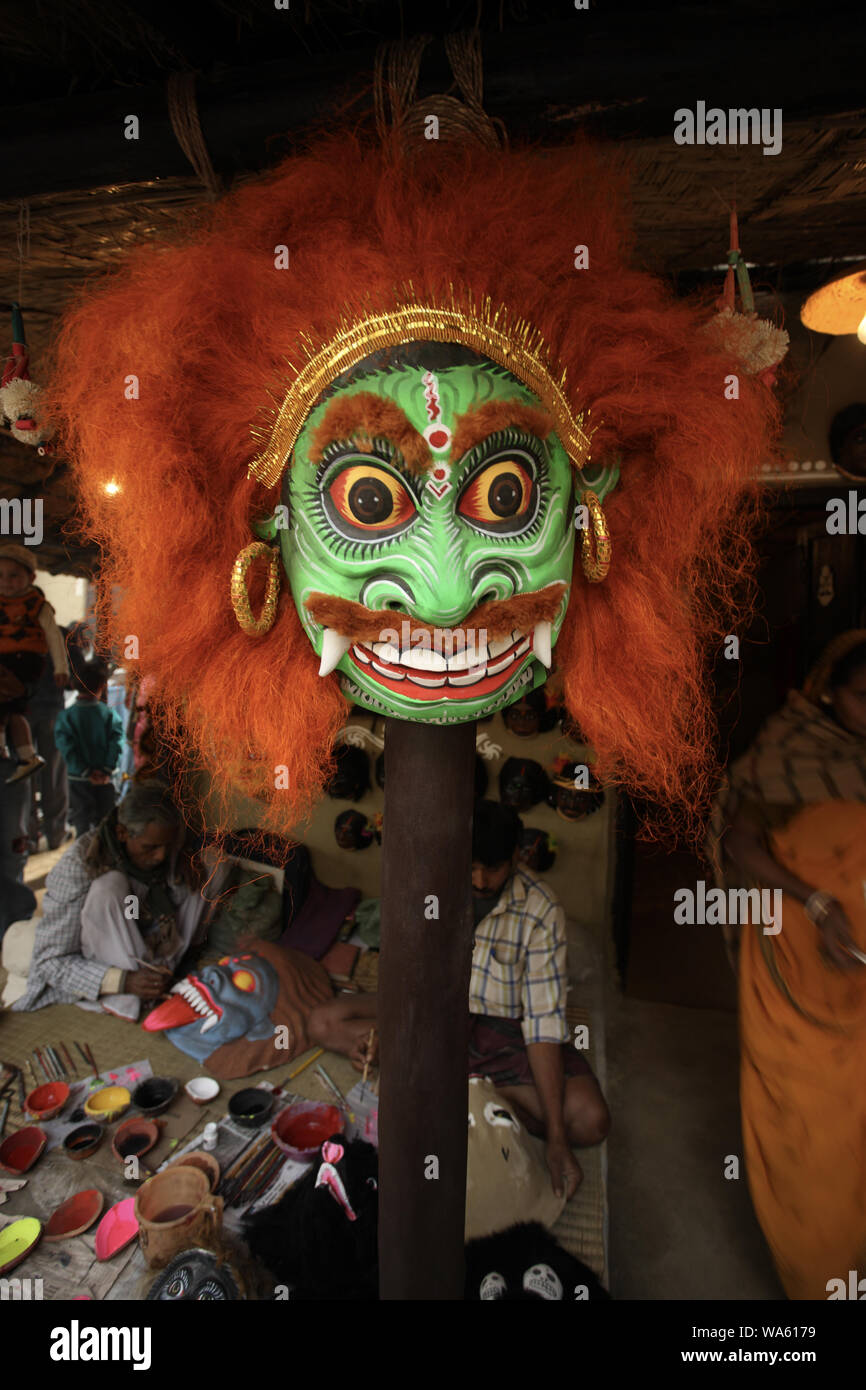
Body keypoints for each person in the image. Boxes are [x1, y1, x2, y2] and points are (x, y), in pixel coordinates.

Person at [707, 630, 866, 1300]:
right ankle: (819, 1281)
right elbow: (742, 848)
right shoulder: (787, 752)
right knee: (810, 1138)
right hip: (797, 972)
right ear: (829, 691)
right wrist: (820, 903)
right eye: (864, 697)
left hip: (859, 980)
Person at [466, 800, 610, 1199]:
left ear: (515, 856)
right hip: (447, 1024)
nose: (479, 880)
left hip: (509, 1034)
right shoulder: (435, 889)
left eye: (492, 868)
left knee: (591, 1121)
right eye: (472, 865)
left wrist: (557, 1140)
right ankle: (486, 1098)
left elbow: (543, 1021)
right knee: (326, 1024)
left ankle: (485, 1095)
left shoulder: (541, 908)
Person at [12, 779, 228, 1022]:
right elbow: (49, 963)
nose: (161, 856)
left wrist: (186, 859)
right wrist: (120, 980)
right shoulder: (78, 866)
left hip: (146, 930)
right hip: (110, 957)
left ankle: (171, 967)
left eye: (168, 846)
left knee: (211, 863)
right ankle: (132, 990)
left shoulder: (165, 845)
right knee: (111, 886)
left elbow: (165, 890)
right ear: (122, 833)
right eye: (151, 848)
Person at [0, 543, 69, 783]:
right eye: (0, 576)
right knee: (10, 710)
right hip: (6, 660)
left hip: (24, 662)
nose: (6, 582)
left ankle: (18, 753)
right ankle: (25, 755)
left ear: (30, 577)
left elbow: (54, 637)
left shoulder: (37, 606)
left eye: (14, 575)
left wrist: (61, 668)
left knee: (9, 705)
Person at [54, 658, 124, 837]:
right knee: (106, 821)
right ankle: (105, 856)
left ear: (74, 684)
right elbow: (116, 743)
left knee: (82, 819)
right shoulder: (109, 715)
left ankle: (85, 857)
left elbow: (67, 748)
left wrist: (86, 771)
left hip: (78, 779)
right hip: (105, 778)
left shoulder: (66, 717)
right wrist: (105, 770)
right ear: (102, 685)